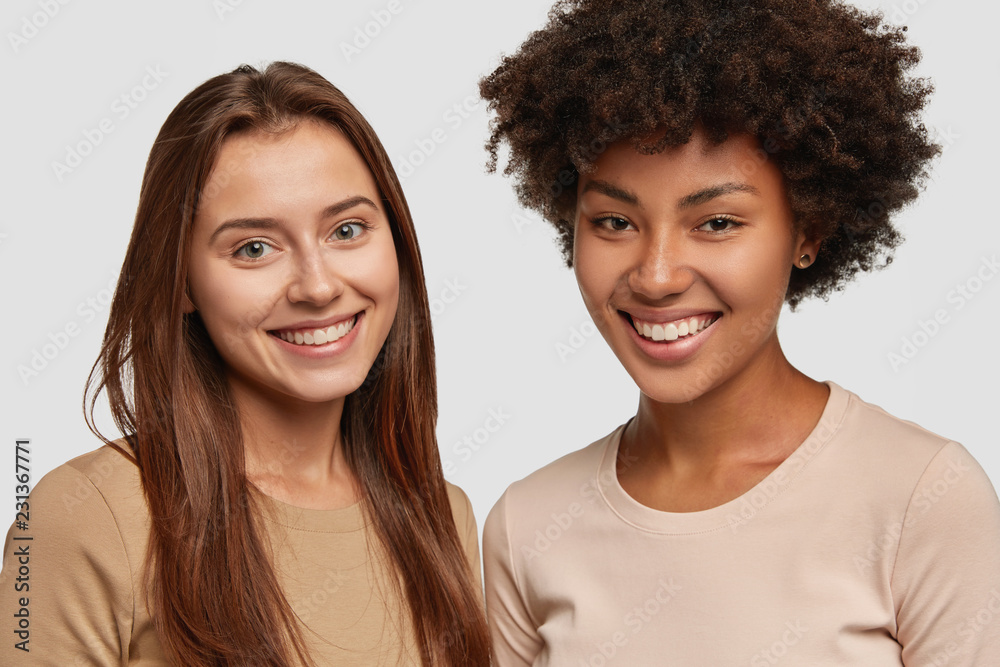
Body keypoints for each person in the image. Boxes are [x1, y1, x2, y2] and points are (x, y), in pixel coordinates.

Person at [478, 0, 1000, 664]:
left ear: (808, 228)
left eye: (717, 222)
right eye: (614, 221)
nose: (657, 274)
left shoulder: (921, 498)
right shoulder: (527, 527)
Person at [0, 61, 490, 666]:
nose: (317, 286)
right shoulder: (87, 515)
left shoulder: (443, 513)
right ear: (180, 281)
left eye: (347, 229)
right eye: (254, 248)